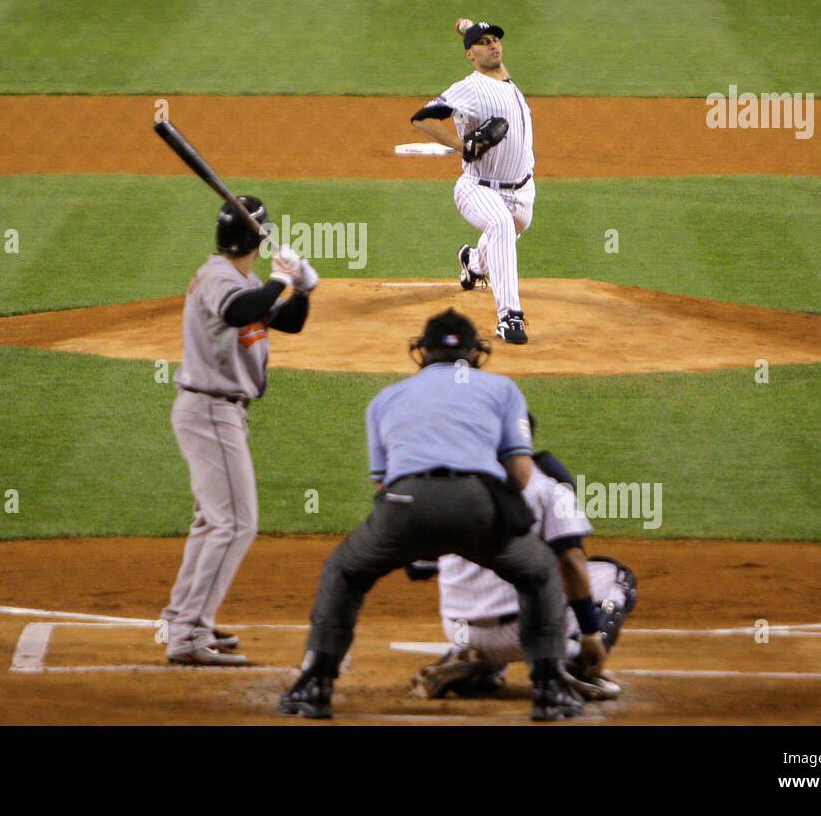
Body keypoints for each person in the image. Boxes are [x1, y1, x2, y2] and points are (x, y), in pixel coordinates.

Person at [278, 309, 602, 720]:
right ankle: (550, 689)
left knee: (344, 573)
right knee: (539, 573)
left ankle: (315, 684)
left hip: (404, 506)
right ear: (474, 352)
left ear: (423, 352)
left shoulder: (386, 398)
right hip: (476, 503)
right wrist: (487, 513)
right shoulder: (502, 390)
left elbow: (385, 484)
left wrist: (420, 541)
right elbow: (521, 474)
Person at [159, 196, 317, 666]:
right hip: (210, 410)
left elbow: (286, 322)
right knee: (235, 524)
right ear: (258, 236)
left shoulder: (241, 279)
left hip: (221, 412)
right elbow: (237, 312)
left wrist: (303, 290)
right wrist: (280, 279)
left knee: (212, 521)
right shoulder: (218, 278)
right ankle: (188, 635)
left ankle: (180, 617)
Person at [407, 445, 638, 702]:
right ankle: (577, 664)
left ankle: (478, 666)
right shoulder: (547, 486)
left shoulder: (450, 486)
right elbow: (571, 562)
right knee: (617, 578)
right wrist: (590, 632)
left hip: (460, 628)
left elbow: (417, 568)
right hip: (526, 632)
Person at [410, 20, 536, 345]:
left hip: (522, 191)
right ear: (470, 54)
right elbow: (421, 118)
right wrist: (460, 145)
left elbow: (497, 65)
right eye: (483, 42)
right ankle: (510, 317)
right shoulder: (471, 87)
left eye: (496, 40)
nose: (493, 46)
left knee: (508, 229)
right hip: (478, 186)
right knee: (500, 225)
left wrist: (469, 26)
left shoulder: (507, 82)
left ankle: (473, 262)